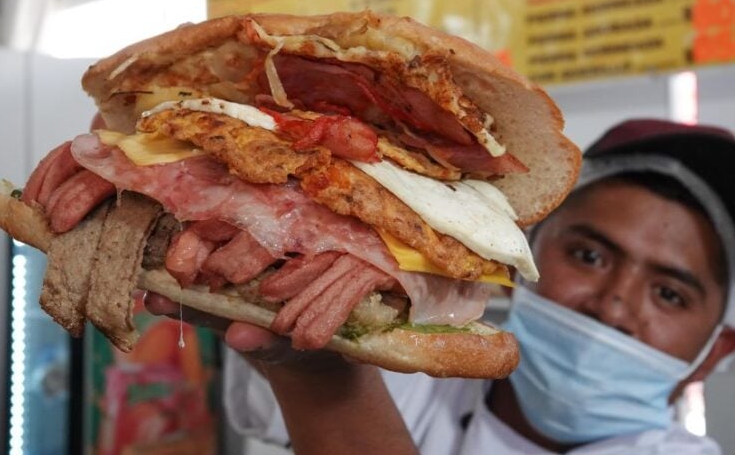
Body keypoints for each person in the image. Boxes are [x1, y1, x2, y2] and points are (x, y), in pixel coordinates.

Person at [146, 118, 735, 454]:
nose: (613, 303)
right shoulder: (420, 369)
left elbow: (325, 377)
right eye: (587, 255)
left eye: (670, 294)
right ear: (515, 260)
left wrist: (314, 374)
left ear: (715, 353)